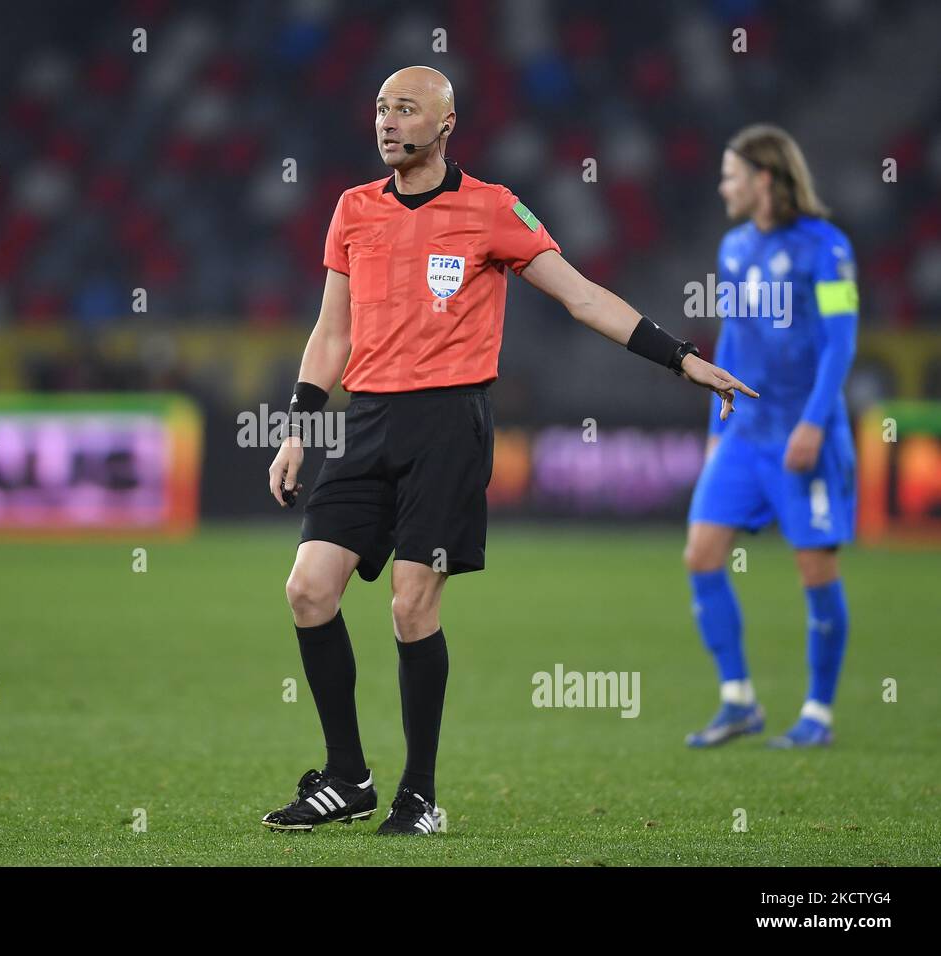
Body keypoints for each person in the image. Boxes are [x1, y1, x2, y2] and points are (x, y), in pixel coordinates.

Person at [262, 66, 756, 835]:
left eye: (406, 109)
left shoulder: (492, 210)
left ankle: (418, 796)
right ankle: (346, 776)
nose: (388, 123)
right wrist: (297, 425)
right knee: (307, 590)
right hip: (365, 424)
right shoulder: (354, 210)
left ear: (446, 123)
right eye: (382, 109)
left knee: (410, 605)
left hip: (449, 427)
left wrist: (682, 358)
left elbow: (582, 295)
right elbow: (332, 331)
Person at [684, 124, 858, 749]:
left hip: (804, 435)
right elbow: (731, 339)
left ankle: (818, 711)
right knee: (701, 555)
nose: (721, 185)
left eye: (731, 174)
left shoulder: (827, 248)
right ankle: (738, 701)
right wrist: (715, 428)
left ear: (763, 179)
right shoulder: (733, 249)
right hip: (745, 437)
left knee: (815, 568)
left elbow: (841, 342)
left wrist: (814, 422)